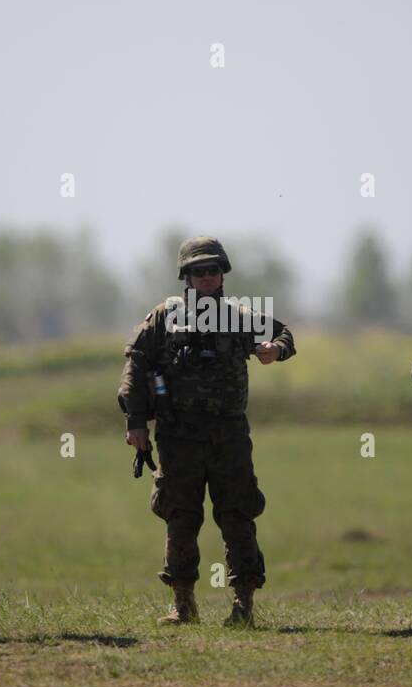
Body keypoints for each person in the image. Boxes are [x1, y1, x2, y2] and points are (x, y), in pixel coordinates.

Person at [118, 236, 295, 628]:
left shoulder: (239, 315)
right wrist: (136, 423)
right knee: (180, 516)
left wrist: (274, 350)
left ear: (223, 273)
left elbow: (284, 335)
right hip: (178, 436)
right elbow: (135, 366)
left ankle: (243, 606)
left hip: (228, 434)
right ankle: (183, 606)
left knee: (238, 514)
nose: (207, 277)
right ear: (186, 276)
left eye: (213, 270)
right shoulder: (165, 315)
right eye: (199, 271)